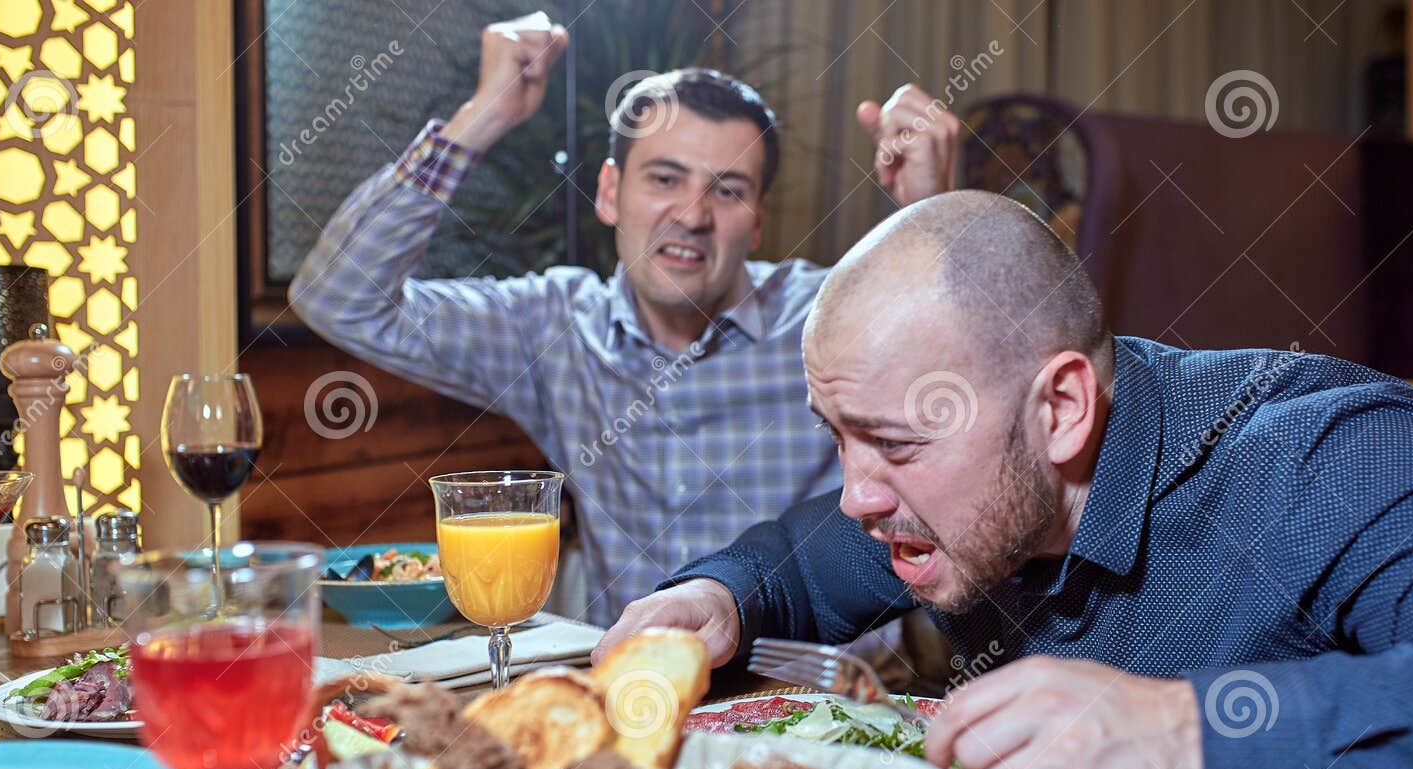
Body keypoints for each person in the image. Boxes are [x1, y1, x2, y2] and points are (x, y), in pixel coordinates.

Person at [598, 188, 1413, 769]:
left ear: (1061, 408)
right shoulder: (956, 504)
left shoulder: (1319, 457)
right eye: (840, 436)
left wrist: (1186, 737)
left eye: (895, 445)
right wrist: (718, 593)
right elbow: (799, 559)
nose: (857, 489)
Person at [288, 12, 959, 626]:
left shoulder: (833, 315)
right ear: (609, 192)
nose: (692, 214)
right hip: (634, 697)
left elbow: (977, 377)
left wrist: (930, 214)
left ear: (755, 222)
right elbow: (337, 297)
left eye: (726, 190)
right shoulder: (551, 328)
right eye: (664, 178)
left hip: (820, 704)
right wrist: (480, 118)